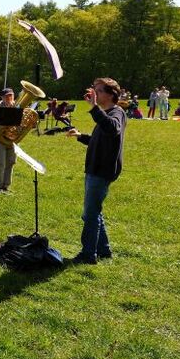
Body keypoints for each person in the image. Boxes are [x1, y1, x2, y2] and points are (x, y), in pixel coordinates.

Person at [66, 78, 127, 264]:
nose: (95, 94)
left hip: (102, 171)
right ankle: (103, 250)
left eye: (99, 91)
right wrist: (80, 136)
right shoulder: (107, 113)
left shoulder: (117, 113)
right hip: (95, 169)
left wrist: (94, 108)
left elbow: (112, 129)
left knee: (90, 214)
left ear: (110, 94)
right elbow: (99, 139)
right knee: (94, 212)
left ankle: (88, 254)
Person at [0, 88, 17, 193]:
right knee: (1, 162)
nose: (9, 98)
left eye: (11, 95)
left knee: (11, 161)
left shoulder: (17, 106)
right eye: (7, 96)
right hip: (1, 138)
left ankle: (6, 185)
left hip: (13, 137)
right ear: (2, 97)